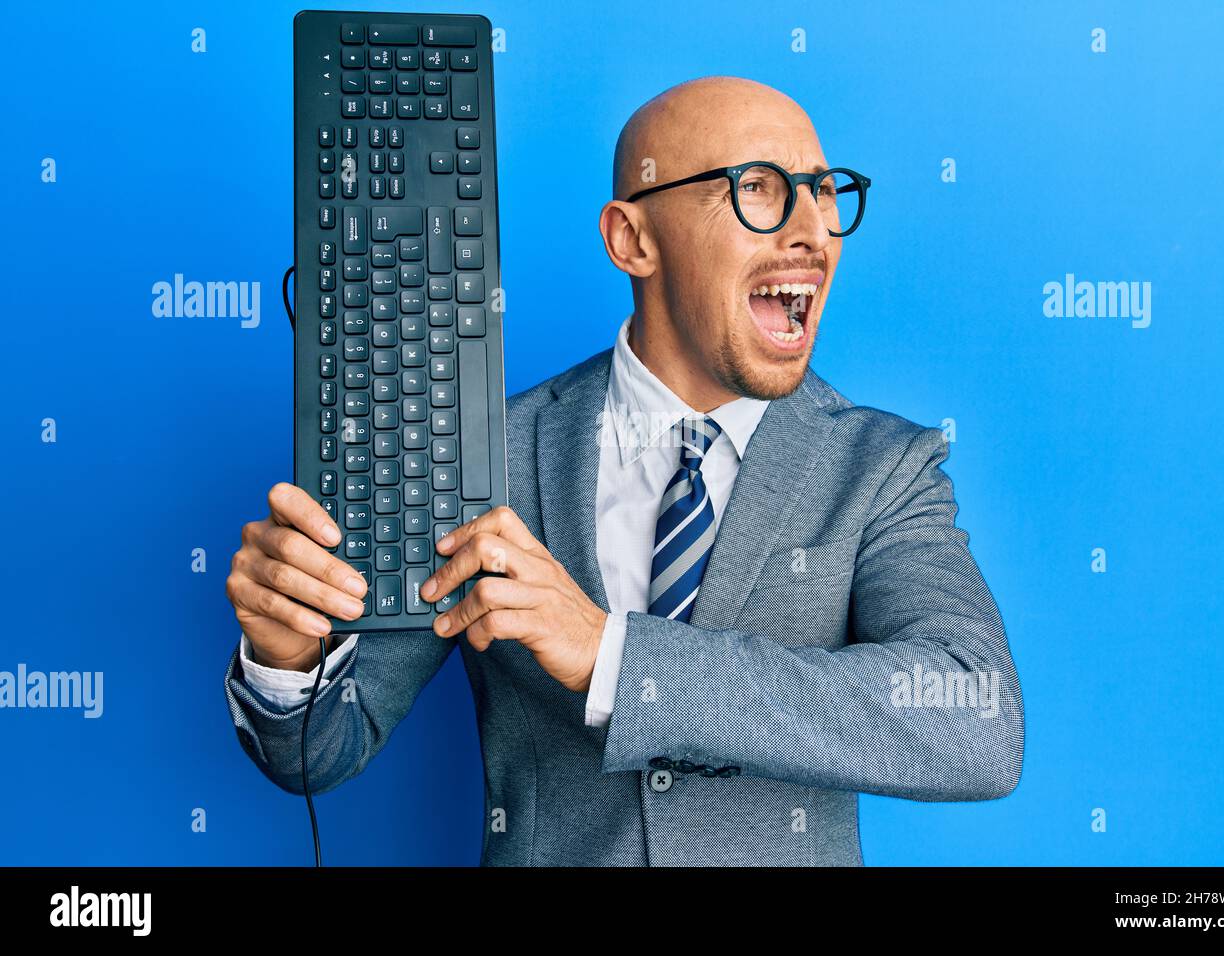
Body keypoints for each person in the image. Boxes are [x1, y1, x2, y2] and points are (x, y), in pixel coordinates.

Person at [224, 76, 1024, 866]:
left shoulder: (882, 468)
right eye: (760, 190)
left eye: (823, 193)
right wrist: (287, 659)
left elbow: (978, 723)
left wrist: (612, 656)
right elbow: (323, 751)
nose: (814, 231)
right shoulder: (482, 455)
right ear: (631, 240)